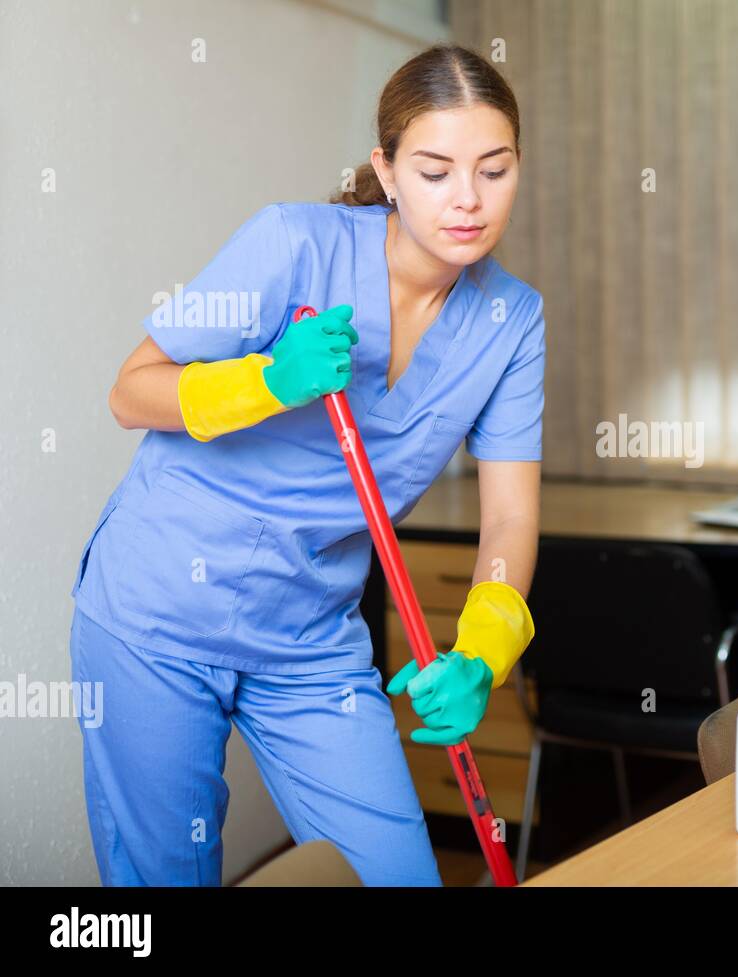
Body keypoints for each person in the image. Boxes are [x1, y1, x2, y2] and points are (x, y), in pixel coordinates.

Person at [68, 43, 543, 886]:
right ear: (387, 172)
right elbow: (130, 392)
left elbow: (508, 517)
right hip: (157, 610)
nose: (468, 199)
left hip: (308, 637)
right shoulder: (293, 244)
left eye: (493, 169)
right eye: (435, 171)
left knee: (398, 874)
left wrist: (484, 648)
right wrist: (267, 380)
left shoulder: (512, 320)